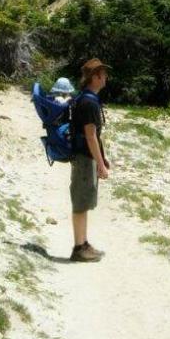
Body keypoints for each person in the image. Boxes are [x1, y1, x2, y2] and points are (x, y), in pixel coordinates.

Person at [69, 58, 111, 262]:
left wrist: (102, 158)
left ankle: (83, 244)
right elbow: (90, 135)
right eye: (103, 74)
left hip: (84, 157)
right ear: (95, 77)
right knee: (80, 203)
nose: (106, 78)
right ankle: (78, 248)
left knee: (83, 201)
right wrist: (100, 164)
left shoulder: (85, 99)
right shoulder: (88, 102)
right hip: (84, 159)